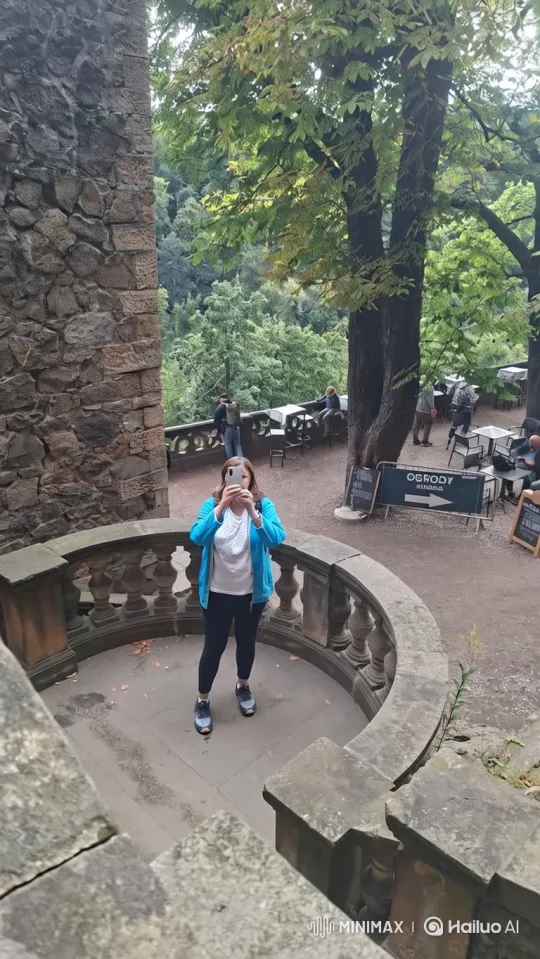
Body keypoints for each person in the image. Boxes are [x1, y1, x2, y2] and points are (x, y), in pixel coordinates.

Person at [189, 457, 286, 735]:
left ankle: (242, 686)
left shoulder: (263, 506)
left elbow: (276, 538)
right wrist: (220, 508)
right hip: (218, 594)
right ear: (224, 479)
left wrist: (255, 516)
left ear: (251, 480)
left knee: (246, 643)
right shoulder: (211, 506)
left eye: (244, 477)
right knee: (214, 648)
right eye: (233, 476)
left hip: (250, 596)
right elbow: (197, 537)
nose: (239, 481)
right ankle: (202, 700)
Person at [446, 382, 478, 449]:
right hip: (465, 411)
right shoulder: (468, 389)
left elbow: (448, 393)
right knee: (466, 424)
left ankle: (449, 440)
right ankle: (461, 439)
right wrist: (477, 397)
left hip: (456, 410)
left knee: (454, 426)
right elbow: (472, 400)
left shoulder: (457, 387)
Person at [214, 393, 243, 459]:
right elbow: (238, 415)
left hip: (227, 428)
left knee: (228, 445)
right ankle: (241, 462)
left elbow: (216, 420)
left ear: (222, 399)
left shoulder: (221, 407)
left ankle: (231, 463)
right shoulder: (234, 404)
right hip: (236, 427)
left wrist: (219, 431)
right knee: (238, 445)